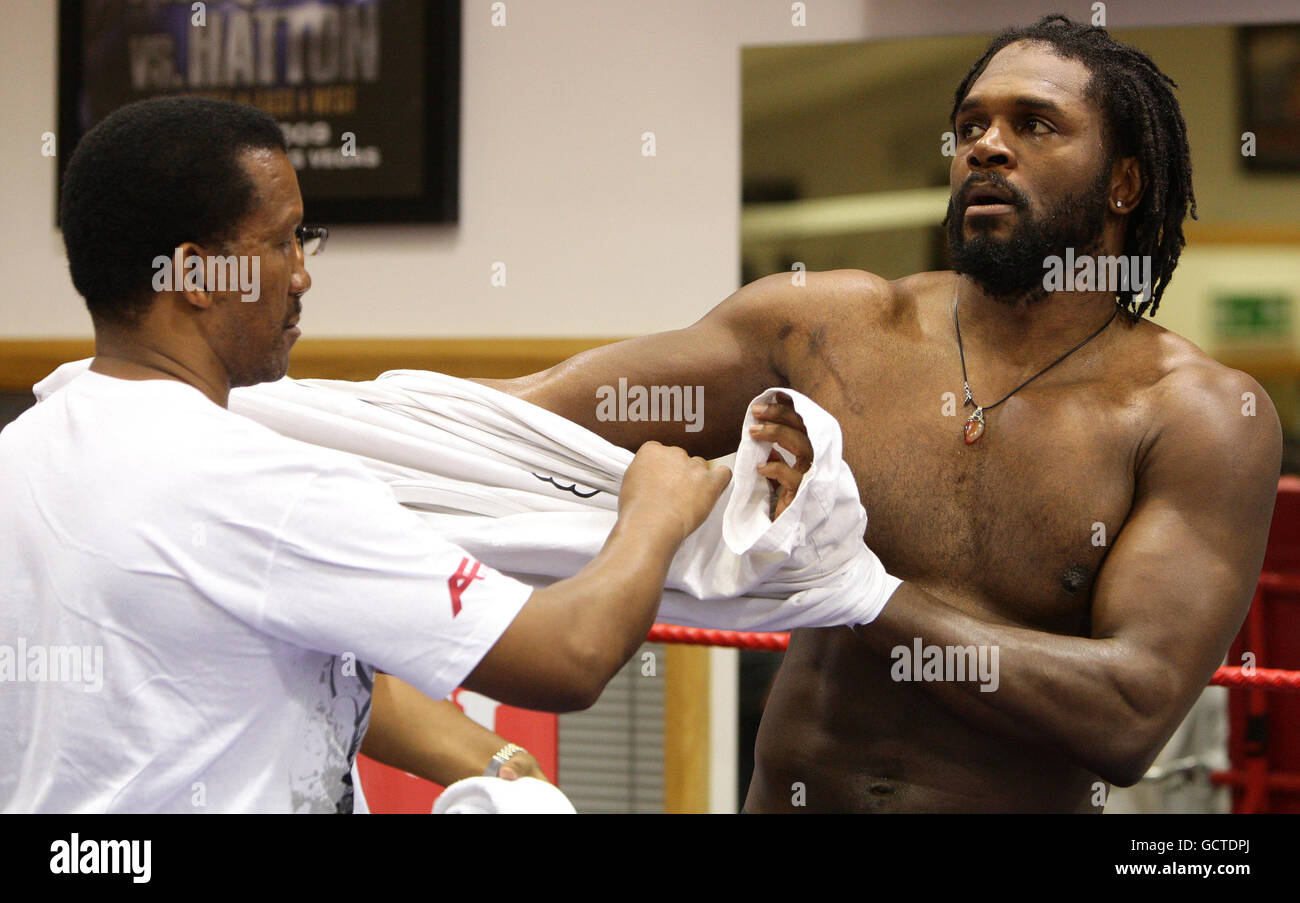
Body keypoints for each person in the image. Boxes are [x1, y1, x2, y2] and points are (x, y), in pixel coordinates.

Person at [484, 16, 1283, 811]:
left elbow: (1130, 714)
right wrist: (361, 438)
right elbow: (517, 416)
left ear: (1125, 183)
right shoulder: (828, 329)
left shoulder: (1196, 416)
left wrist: (857, 588)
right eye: (970, 125)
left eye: (1033, 124)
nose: (986, 146)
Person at [0, 96, 806, 813]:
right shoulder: (263, 482)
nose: (302, 276)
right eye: (283, 243)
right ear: (195, 275)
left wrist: (483, 754)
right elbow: (569, 655)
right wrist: (652, 514)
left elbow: (288, 647)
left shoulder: (24, 452)